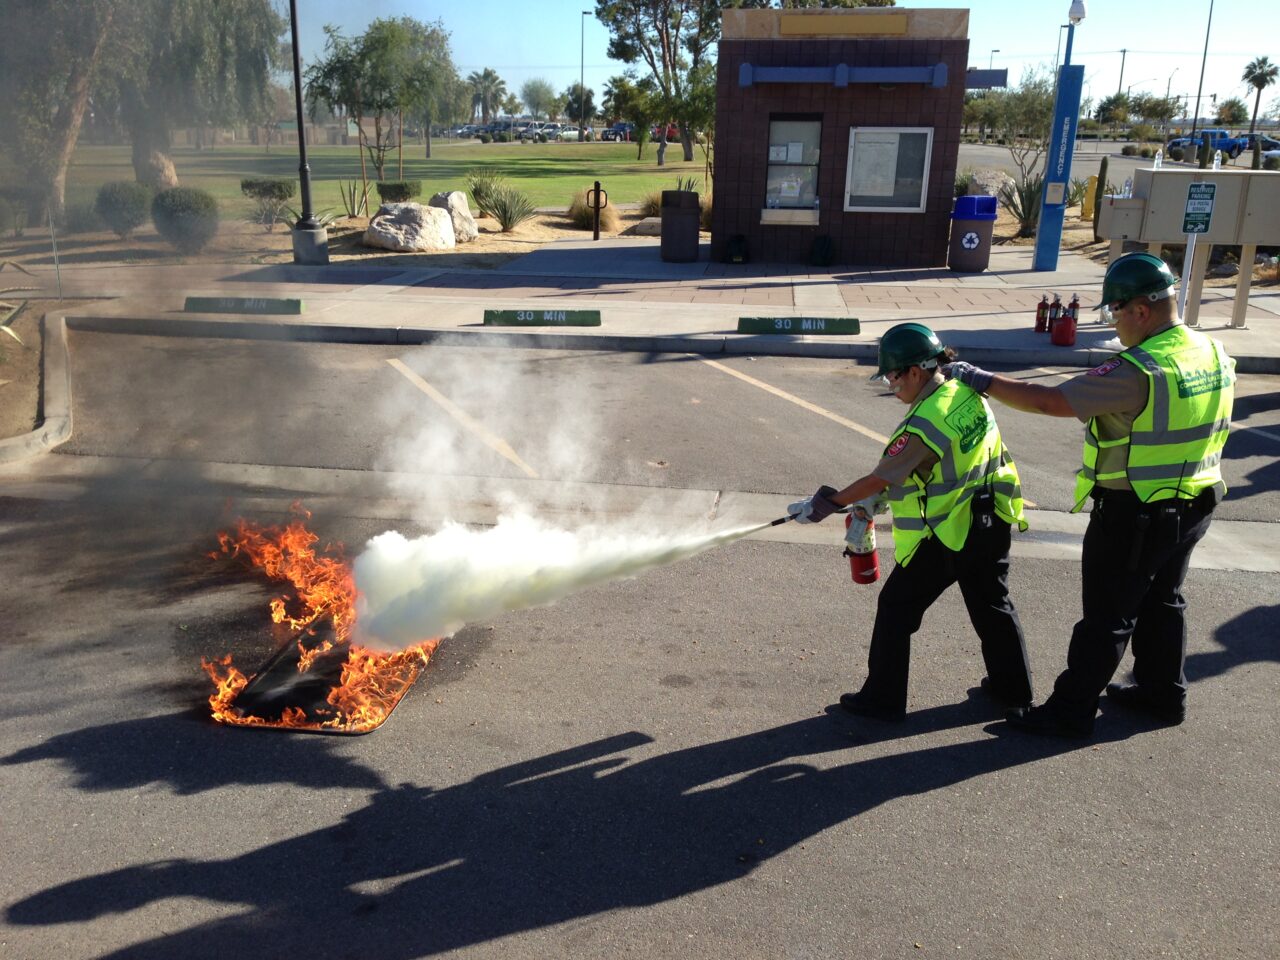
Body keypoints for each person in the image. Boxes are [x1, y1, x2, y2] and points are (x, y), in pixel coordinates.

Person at [944, 253, 1235, 738]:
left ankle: (1069, 713)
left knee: (1106, 616)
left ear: (1141, 310)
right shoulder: (1210, 351)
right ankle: (1164, 695)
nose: (1113, 323)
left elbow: (1052, 400)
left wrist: (979, 379)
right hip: (1196, 501)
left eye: (1114, 312)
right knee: (1164, 600)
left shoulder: (1142, 369)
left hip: (1137, 511)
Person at [788, 322, 1033, 721]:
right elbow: (919, 469)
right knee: (992, 604)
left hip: (953, 530)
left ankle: (882, 701)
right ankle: (1014, 690)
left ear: (916, 372)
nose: (890, 384)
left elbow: (884, 475)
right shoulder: (963, 390)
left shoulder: (924, 421)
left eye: (892, 375)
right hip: (994, 517)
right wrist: (870, 501)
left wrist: (826, 505)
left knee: (896, 607)